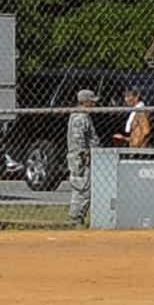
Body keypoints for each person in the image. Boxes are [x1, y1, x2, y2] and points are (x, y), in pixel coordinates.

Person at [64, 86, 101, 227]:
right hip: (80, 158)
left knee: (86, 188)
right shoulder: (79, 117)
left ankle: (78, 217)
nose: (94, 104)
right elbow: (77, 139)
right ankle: (75, 218)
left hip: (85, 156)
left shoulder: (85, 116)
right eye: (91, 101)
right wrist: (84, 154)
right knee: (82, 189)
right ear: (84, 102)